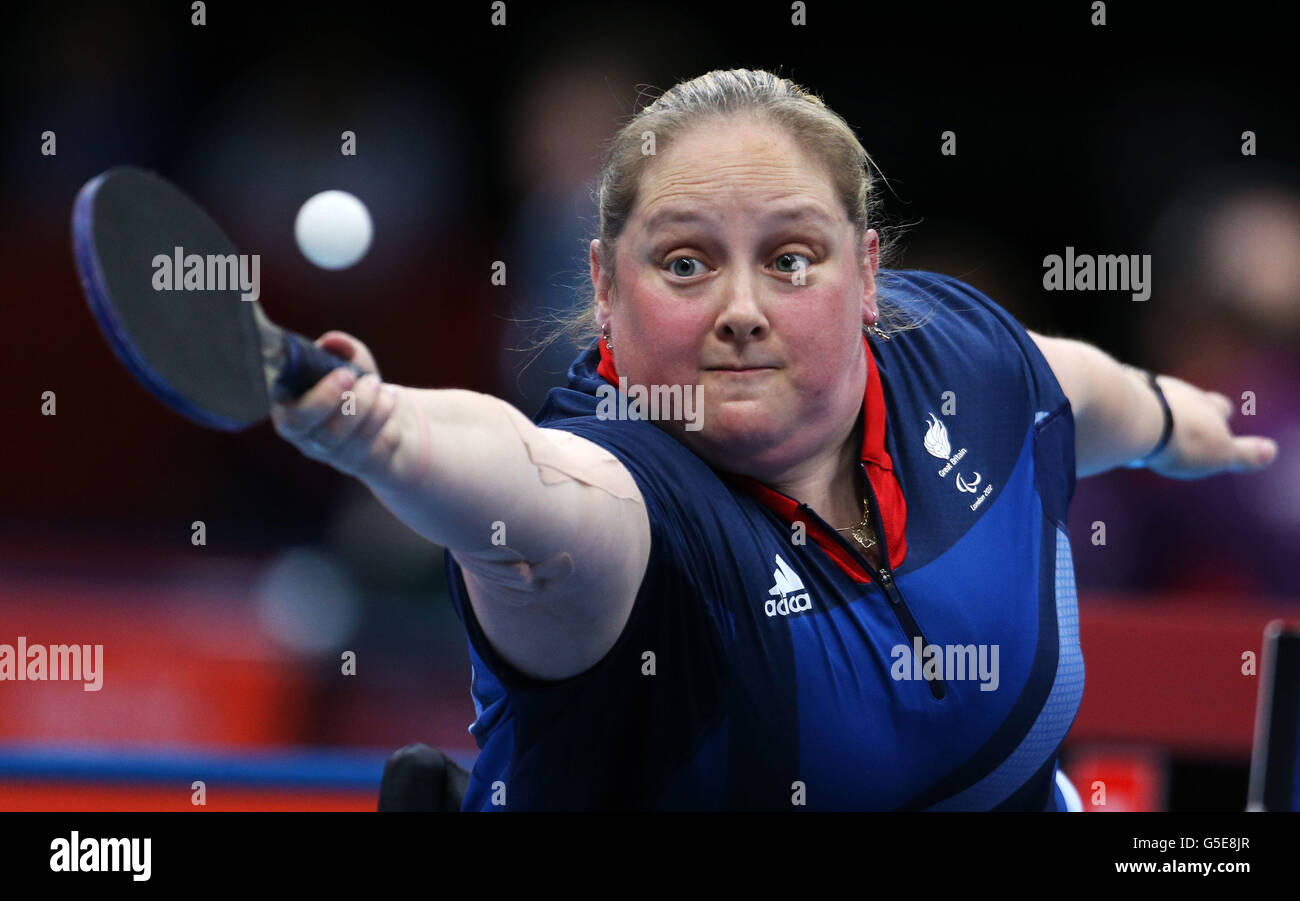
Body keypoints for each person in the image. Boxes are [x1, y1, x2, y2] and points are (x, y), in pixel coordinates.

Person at [270, 69, 1279, 810]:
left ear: (867, 273)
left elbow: (1083, 389)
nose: (742, 308)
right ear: (603, 288)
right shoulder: (623, 487)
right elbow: (522, 487)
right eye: (683, 262)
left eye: (792, 258)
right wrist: (381, 429)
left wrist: (1185, 424)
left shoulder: (958, 354)